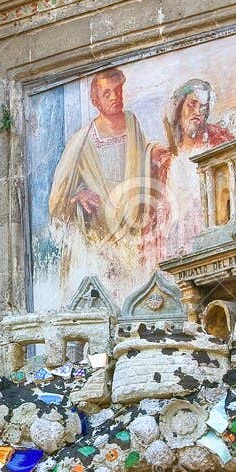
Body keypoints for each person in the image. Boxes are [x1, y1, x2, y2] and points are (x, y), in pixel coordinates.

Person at [46, 69, 155, 300]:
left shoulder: (132, 123)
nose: (115, 97)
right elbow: (59, 196)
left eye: (118, 90)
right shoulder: (82, 140)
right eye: (107, 93)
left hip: (132, 225)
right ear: (96, 100)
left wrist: (156, 153)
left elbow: (143, 157)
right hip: (98, 232)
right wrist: (79, 195)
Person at [149, 79, 233, 261]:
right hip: (175, 246)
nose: (197, 113)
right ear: (179, 109)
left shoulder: (218, 143)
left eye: (203, 108)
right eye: (192, 105)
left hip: (212, 240)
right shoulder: (165, 160)